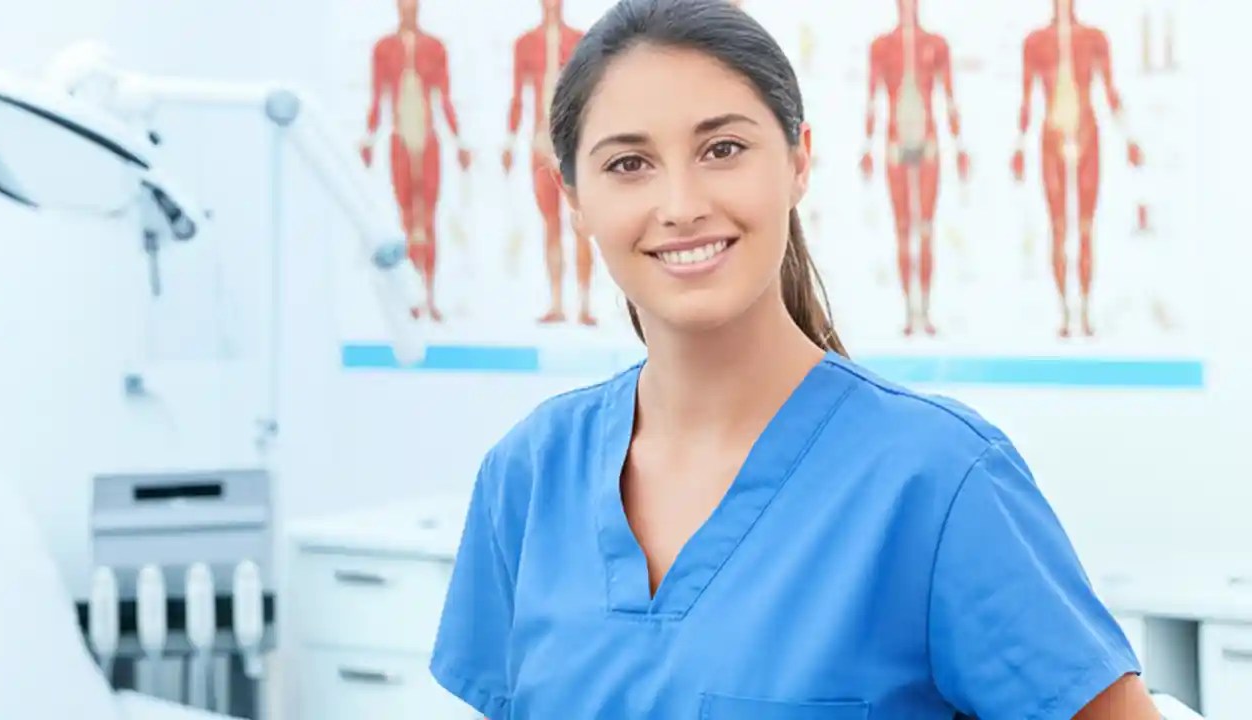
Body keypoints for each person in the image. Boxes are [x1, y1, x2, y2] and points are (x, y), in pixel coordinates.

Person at [430, 1, 1157, 717]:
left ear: (799, 159)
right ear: (574, 199)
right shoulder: (529, 474)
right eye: (629, 163)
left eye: (722, 149)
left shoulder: (938, 482)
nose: (681, 204)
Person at [1012, 0, 1143, 338]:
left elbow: (1110, 91)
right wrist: (1018, 145)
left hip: (1087, 138)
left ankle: (1084, 311)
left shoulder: (1094, 39)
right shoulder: (1036, 42)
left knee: (1084, 228)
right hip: (1052, 140)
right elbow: (1027, 99)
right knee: (1058, 227)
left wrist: (1129, 136)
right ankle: (1064, 312)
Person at [861, 0, 969, 338]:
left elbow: (949, 97)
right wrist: (866, 147)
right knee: (903, 229)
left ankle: (925, 311)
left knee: (925, 228)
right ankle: (910, 312)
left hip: (928, 141)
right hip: (895, 142)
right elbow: (872, 99)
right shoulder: (882, 47)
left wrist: (959, 144)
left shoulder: (935, 45)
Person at [361, 0, 473, 322]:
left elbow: (444, 100)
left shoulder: (434, 48)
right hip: (399, 138)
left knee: (429, 219)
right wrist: (369, 140)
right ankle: (410, 298)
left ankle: (429, 296)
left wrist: (459, 142)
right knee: (407, 218)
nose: (408, 8)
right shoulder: (384, 49)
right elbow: (378, 100)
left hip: (428, 139)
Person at [503, 0, 597, 326]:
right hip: (541, 142)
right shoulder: (525, 44)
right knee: (551, 223)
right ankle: (556, 302)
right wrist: (508, 140)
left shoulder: (581, 40)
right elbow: (519, 95)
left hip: (574, 144)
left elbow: (591, 95)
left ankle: (584, 304)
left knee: (581, 222)